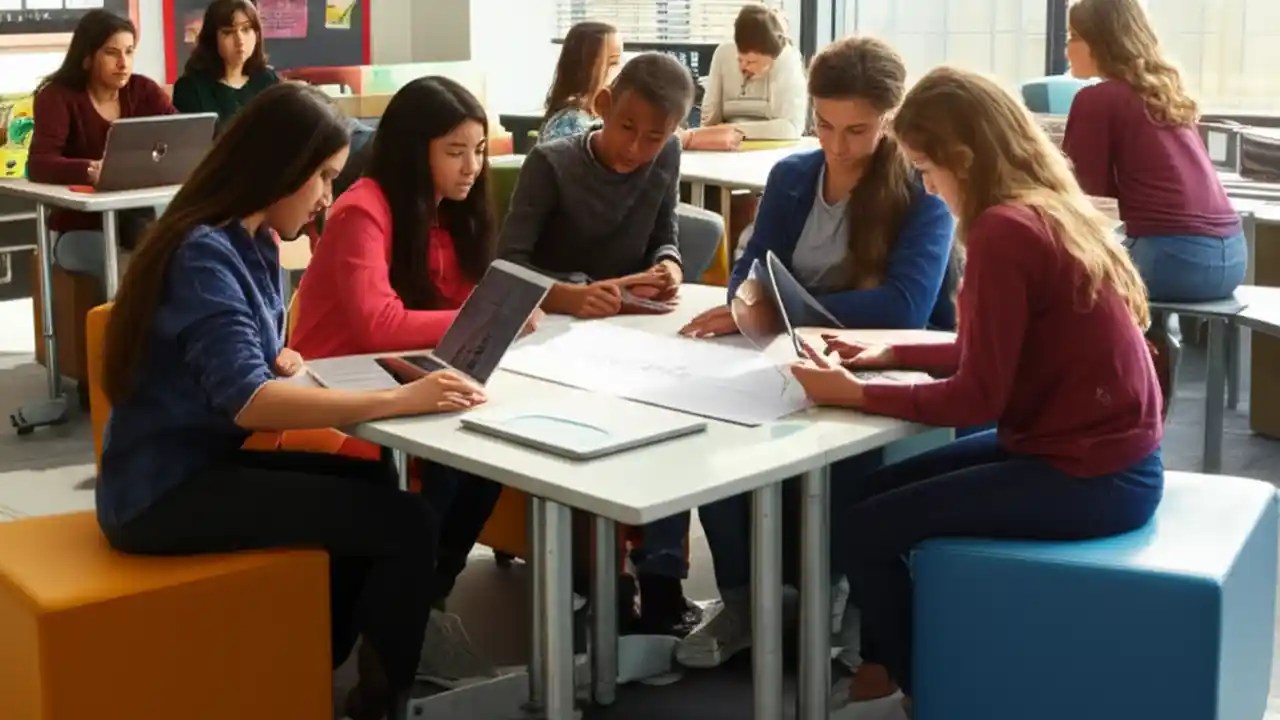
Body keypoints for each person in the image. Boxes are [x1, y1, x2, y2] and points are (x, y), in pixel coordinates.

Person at [95, 83, 489, 720]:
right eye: (324, 178)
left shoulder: (251, 241)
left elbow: (242, 360)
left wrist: (276, 356)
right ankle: (376, 699)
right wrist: (402, 401)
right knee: (406, 524)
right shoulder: (204, 253)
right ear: (281, 169)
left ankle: (312, 659)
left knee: (375, 490)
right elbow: (250, 403)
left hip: (198, 465)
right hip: (159, 495)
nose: (328, 197)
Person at [790, 66, 1164, 712]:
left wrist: (855, 392)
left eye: (928, 172)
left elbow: (975, 399)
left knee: (860, 528)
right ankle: (908, 666)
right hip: (1101, 455)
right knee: (873, 498)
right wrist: (889, 350)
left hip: (1089, 475)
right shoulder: (1045, 208)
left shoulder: (1002, 232)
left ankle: (926, 685)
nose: (929, 190)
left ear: (961, 160)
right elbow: (989, 350)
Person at [674, 35, 955, 672]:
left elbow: (905, 309)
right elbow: (750, 267)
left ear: (891, 118)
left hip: (885, 360)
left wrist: (778, 310)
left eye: (857, 130)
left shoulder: (921, 189)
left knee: (836, 449)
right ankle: (743, 599)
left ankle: (830, 591)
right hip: (783, 349)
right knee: (715, 431)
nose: (836, 144)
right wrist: (752, 303)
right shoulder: (794, 175)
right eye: (824, 125)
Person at [290, 76, 513, 686]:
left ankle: (423, 601)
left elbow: (453, 309)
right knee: (445, 464)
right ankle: (406, 614)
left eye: (479, 150)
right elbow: (376, 321)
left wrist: (502, 314)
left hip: (405, 371)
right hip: (334, 383)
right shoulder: (364, 206)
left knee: (486, 461)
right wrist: (485, 317)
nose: (472, 167)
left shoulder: (455, 214)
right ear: (416, 149)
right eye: (455, 152)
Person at [498, 52, 703, 635]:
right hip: (555, 337)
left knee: (677, 414)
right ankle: (601, 580)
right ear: (604, 106)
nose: (636, 149)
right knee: (598, 429)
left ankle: (662, 580)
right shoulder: (552, 162)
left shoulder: (667, 155)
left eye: (655, 137)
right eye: (627, 129)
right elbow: (508, 265)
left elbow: (665, 232)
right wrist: (566, 296)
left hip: (635, 327)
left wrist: (669, 263)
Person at [1062, 0, 1243, 414]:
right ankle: (1147, 410)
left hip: (1176, 259)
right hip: (1230, 254)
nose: (1066, 49)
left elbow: (1079, 198)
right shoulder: (1167, 95)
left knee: (1064, 278)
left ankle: (1102, 413)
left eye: (1073, 38)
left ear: (1101, 44)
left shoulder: (1097, 99)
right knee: (1122, 271)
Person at [27, 9, 176, 289]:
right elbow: (39, 163)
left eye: (129, 52)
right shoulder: (57, 96)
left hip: (143, 224)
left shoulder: (143, 90)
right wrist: (90, 169)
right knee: (129, 269)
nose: (123, 63)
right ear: (87, 57)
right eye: (111, 53)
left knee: (190, 256)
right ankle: (123, 333)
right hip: (79, 231)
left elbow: (182, 138)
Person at [700, 3, 807, 140]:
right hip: (726, 146)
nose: (743, 67)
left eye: (751, 62)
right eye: (739, 59)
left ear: (773, 57)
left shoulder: (788, 60)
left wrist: (732, 129)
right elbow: (709, 120)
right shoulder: (723, 53)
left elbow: (791, 128)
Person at [172, 0, 281, 130]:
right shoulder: (190, 88)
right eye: (228, 32)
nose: (240, 40)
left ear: (257, 35)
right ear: (212, 38)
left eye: (246, 29)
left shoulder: (268, 80)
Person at [539, 21, 624, 142]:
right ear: (587, 67)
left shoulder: (600, 115)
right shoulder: (570, 124)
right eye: (613, 62)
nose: (620, 70)